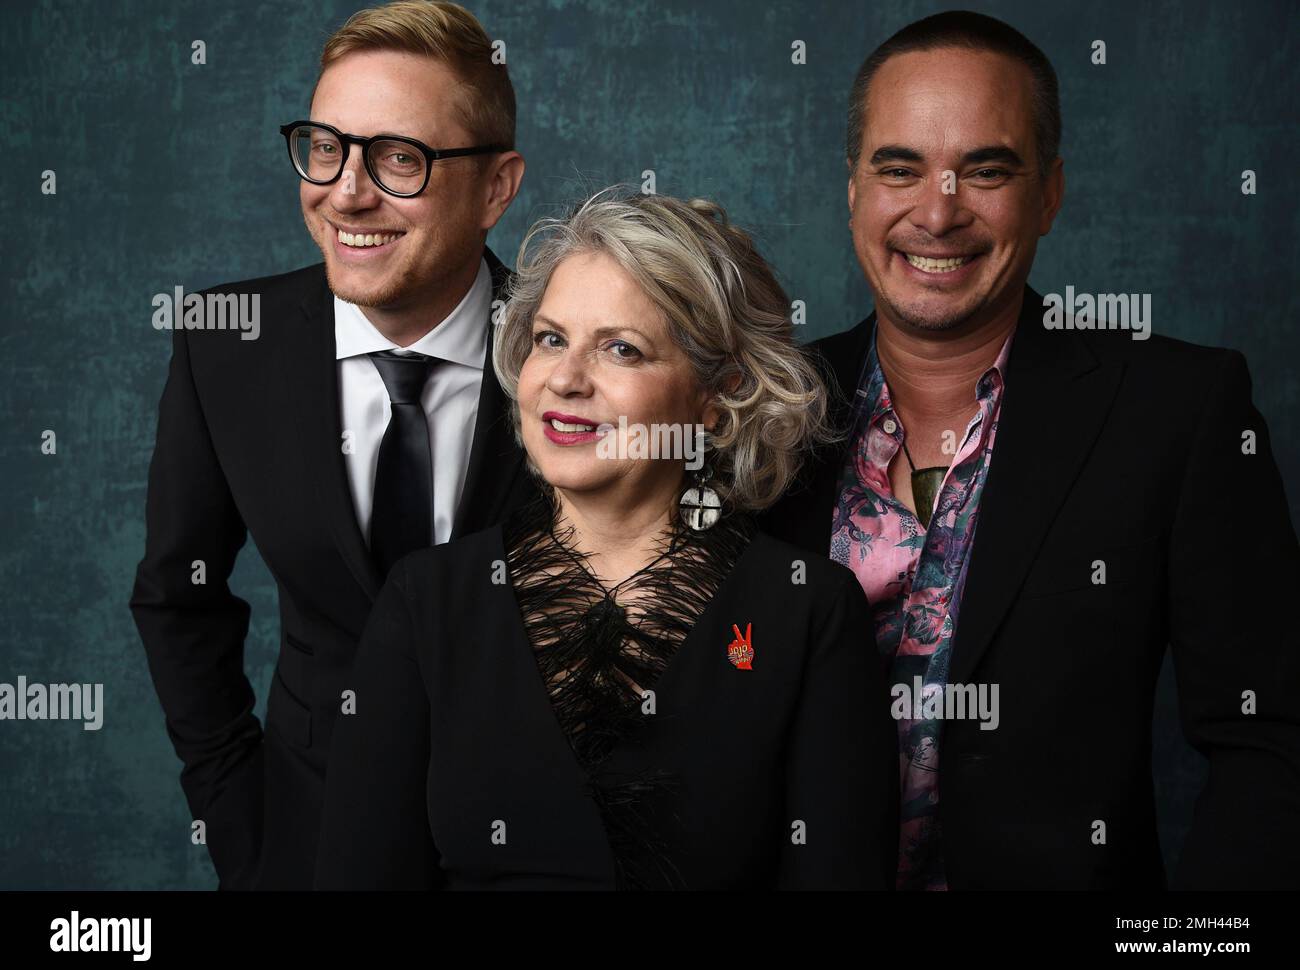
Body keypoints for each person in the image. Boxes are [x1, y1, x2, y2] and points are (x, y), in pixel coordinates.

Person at [761, 10, 1300, 890]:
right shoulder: (764, 409)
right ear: (853, 190)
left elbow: (1271, 739)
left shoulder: (1179, 410)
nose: (938, 211)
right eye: (899, 168)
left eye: (986, 170)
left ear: (1049, 193)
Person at [313, 189, 899, 889]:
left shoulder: (808, 610)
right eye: (550, 338)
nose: (564, 378)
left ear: (718, 394)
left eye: (621, 348)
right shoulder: (426, 600)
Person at [129, 1, 535, 890]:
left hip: (540, 848)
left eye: (399, 158)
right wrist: (242, 822)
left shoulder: (571, 347)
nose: (346, 192)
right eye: (325, 146)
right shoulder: (226, 344)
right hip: (304, 844)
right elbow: (175, 596)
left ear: (498, 188)